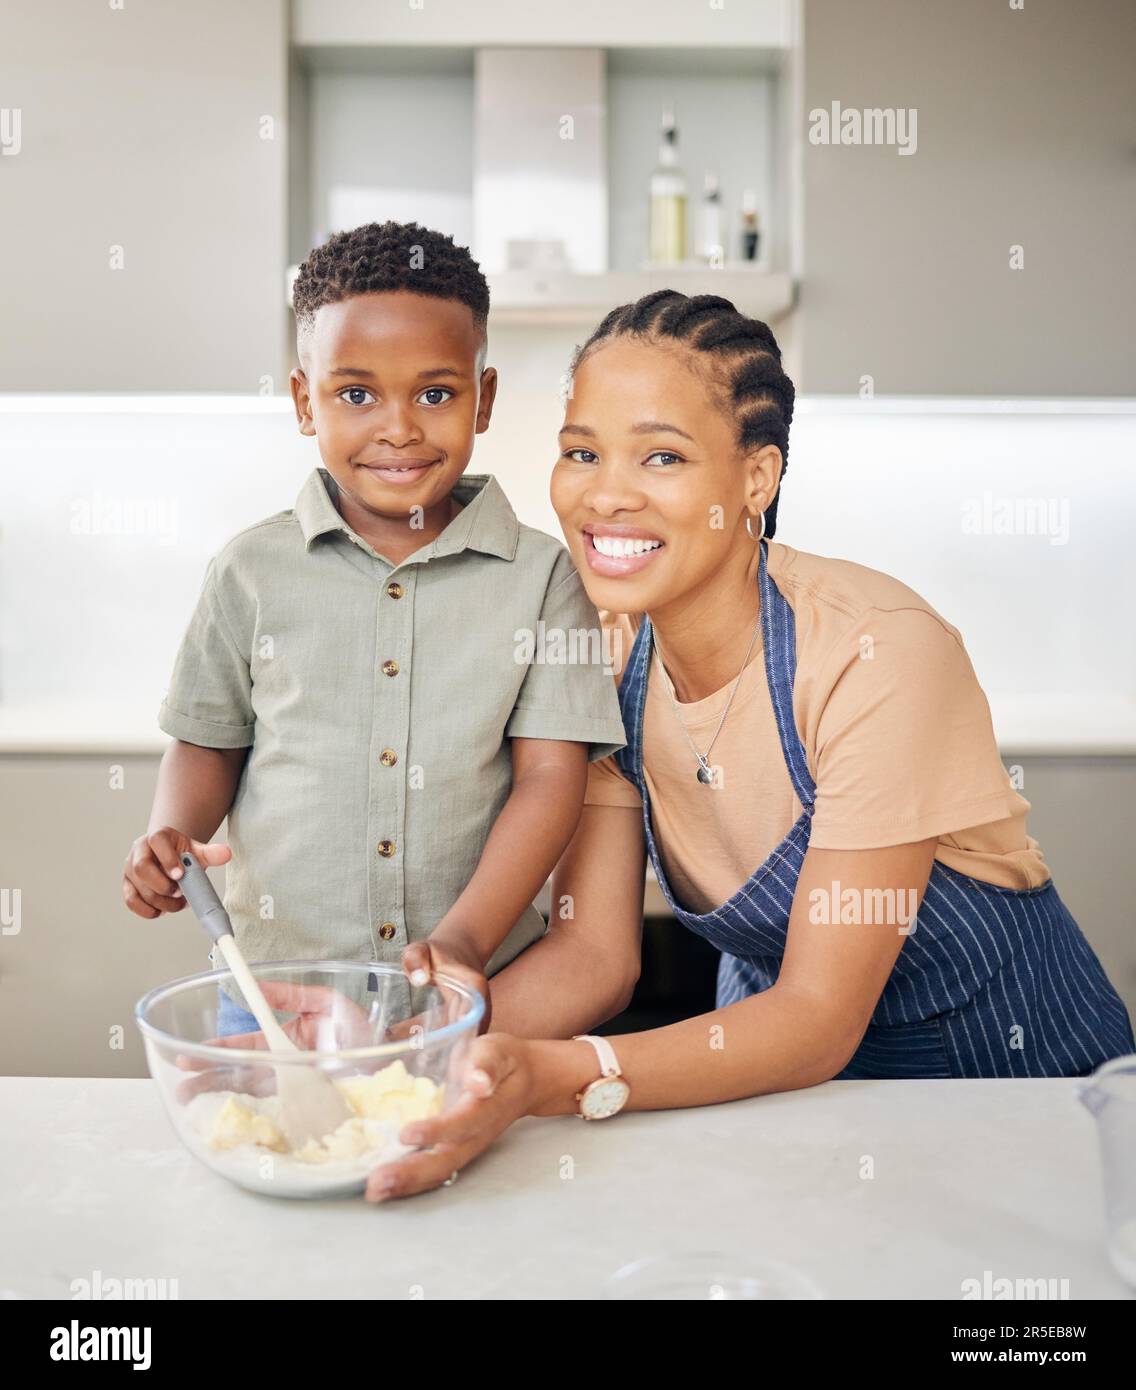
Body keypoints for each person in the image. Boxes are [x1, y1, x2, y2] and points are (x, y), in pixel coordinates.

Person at [363, 290, 1135, 1202]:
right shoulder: (608, 658)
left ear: (756, 479)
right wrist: (390, 1055)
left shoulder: (874, 653)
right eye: (581, 453)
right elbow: (594, 958)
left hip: (1009, 1098)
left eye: (662, 456)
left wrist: (557, 1075)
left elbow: (817, 1016)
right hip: (766, 1077)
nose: (605, 493)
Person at [120, 221, 626, 1030]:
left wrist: (464, 939)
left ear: (483, 399)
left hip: (462, 998)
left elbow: (548, 781)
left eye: (436, 393)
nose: (399, 427)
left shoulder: (541, 578)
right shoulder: (249, 570)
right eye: (356, 394)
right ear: (302, 401)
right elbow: (209, 741)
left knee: (444, 1159)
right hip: (272, 999)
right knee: (275, 1153)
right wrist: (171, 834)